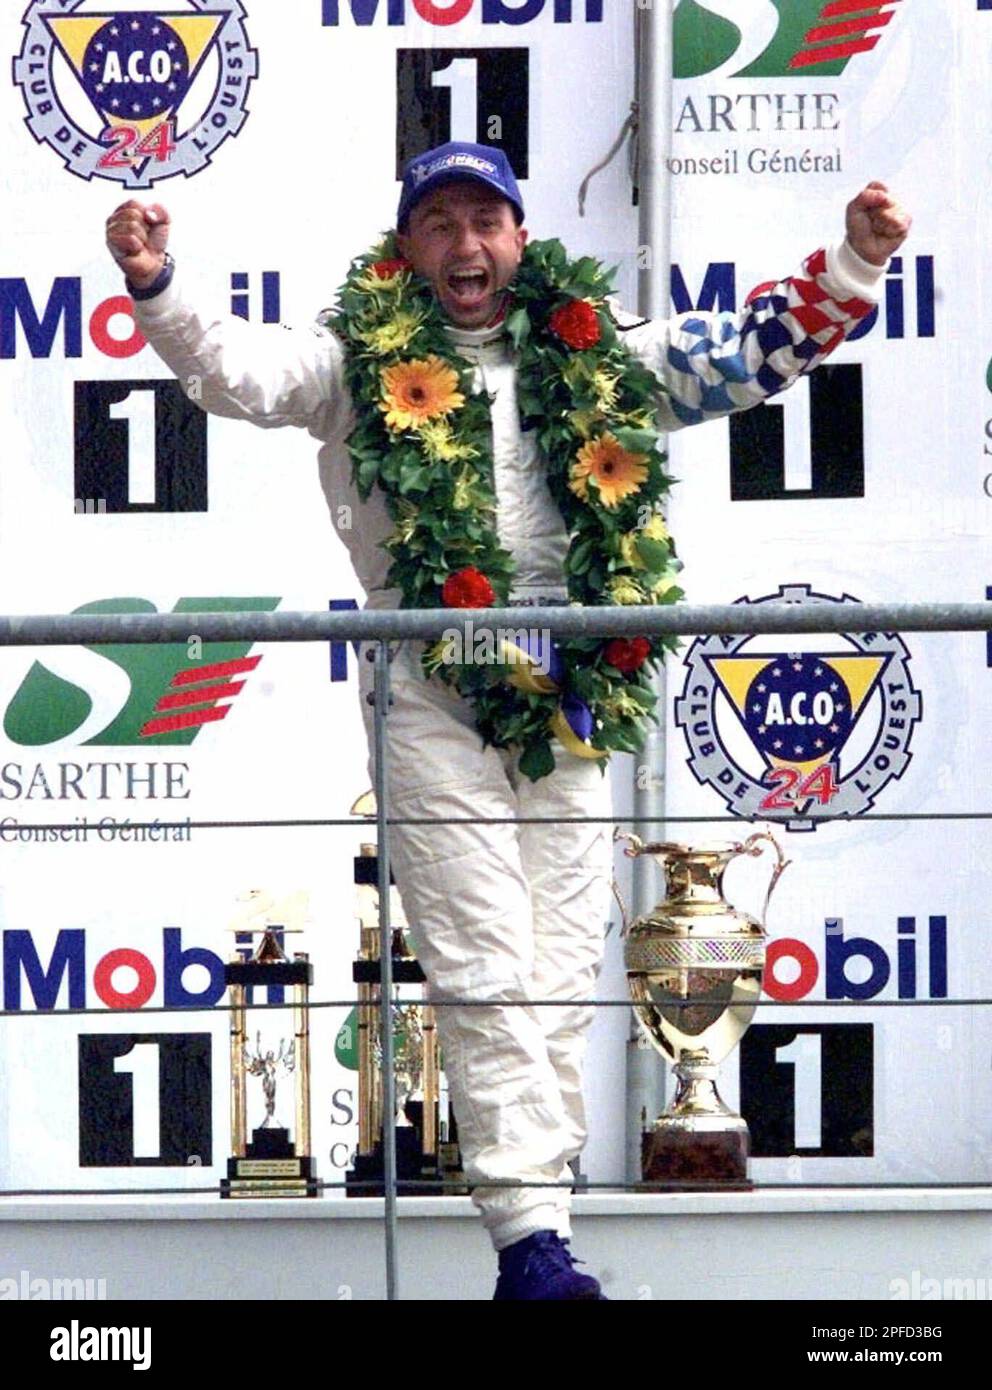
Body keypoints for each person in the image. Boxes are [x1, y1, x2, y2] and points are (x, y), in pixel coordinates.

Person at [105, 141, 911, 1301]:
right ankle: (530, 1240)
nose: (464, 246)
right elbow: (238, 372)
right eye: (438, 224)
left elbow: (739, 356)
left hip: (572, 689)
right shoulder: (353, 355)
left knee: (552, 958)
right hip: (429, 689)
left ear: (520, 242)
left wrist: (853, 259)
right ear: (406, 247)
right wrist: (157, 285)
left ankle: (544, 1230)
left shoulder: (601, 348)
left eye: (485, 222)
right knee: (481, 958)